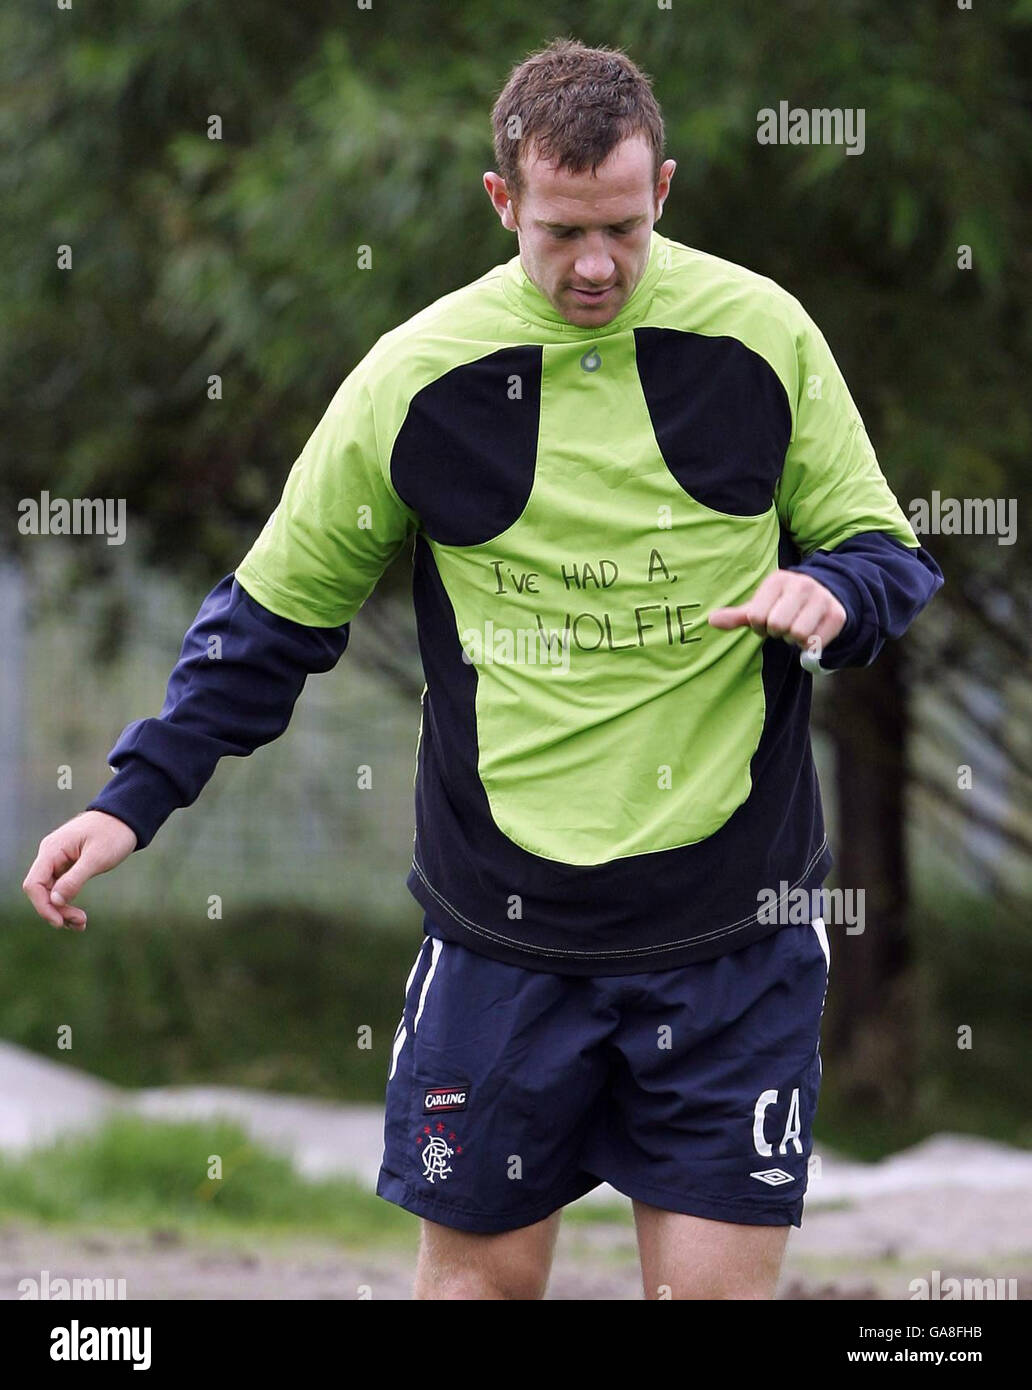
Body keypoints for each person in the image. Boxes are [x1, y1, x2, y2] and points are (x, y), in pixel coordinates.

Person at [22, 37, 943, 1299]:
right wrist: (132, 798)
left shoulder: (763, 335)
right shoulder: (416, 377)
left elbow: (887, 553)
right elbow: (274, 617)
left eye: (624, 227)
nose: (598, 264)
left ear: (665, 190)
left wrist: (832, 590)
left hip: (733, 930)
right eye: (563, 232)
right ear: (503, 200)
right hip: (503, 933)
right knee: (475, 1291)